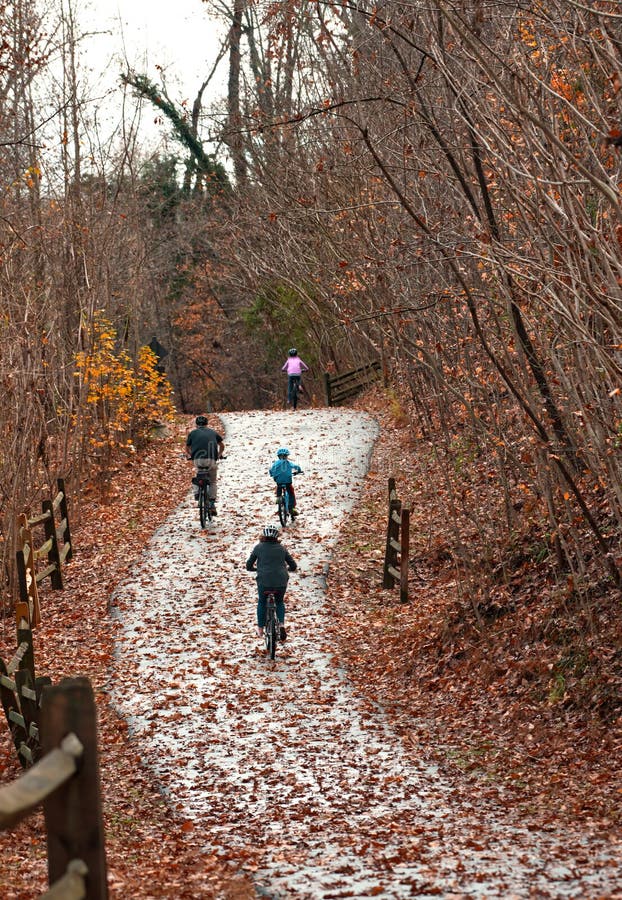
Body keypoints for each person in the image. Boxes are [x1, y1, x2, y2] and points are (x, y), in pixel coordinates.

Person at [246, 524, 297, 641]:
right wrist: (287, 569)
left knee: (262, 602)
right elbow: (293, 566)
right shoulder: (282, 548)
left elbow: (248, 565)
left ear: (263, 536)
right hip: (281, 581)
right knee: (279, 601)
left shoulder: (258, 547)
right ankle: (281, 625)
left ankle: (260, 628)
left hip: (264, 581)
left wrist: (255, 569)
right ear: (276, 537)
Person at [185, 415, 225, 514]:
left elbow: (187, 447)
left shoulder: (192, 433)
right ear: (207, 424)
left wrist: (191, 455)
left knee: (198, 475)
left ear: (196, 425)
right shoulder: (213, 432)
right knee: (212, 481)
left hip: (198, 459)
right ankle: (211, 503)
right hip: (211, 460)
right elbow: (221, 445)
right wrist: (219, 455)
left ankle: (197, 493)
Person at [269, 447, 303, 517]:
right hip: (288, 481)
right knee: (291, 492)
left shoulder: (275, 464)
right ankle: (292, 508)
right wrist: (299, 471)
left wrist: (272, 474)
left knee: (279, 486)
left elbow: (271, 470)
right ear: (287, 456)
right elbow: (296, 467)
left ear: (278, 456)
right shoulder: (289, 463)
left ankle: (278, 497)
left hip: (279, 481)